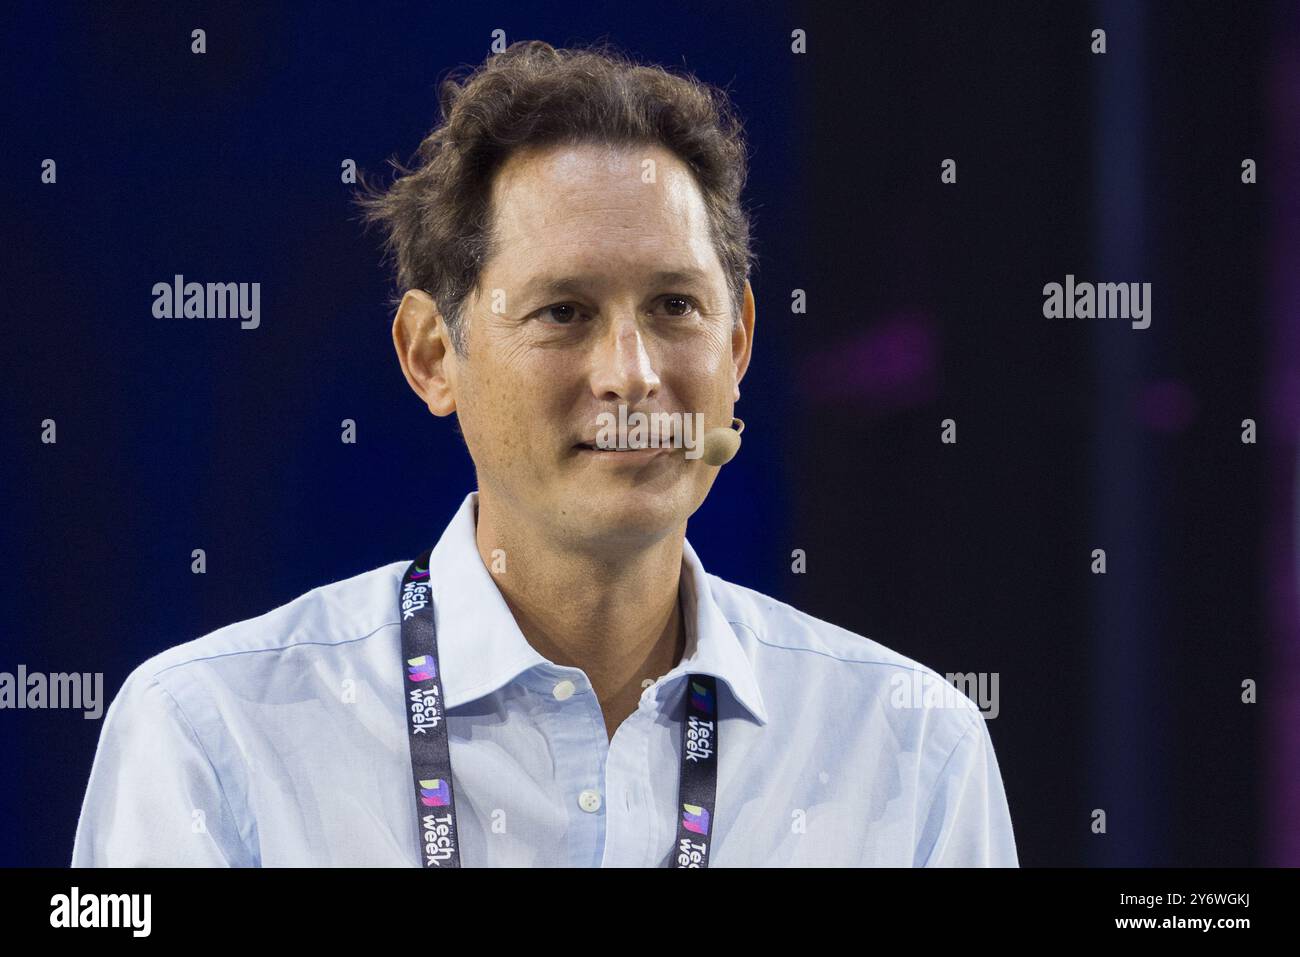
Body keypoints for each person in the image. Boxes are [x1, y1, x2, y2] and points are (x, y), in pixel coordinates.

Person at [72, 40, 1017, 867]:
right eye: (563, 311)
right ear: (432, 356)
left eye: (675, 307)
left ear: (738, 350)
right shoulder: (209, 735)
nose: (632, 374)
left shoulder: (912, 745)